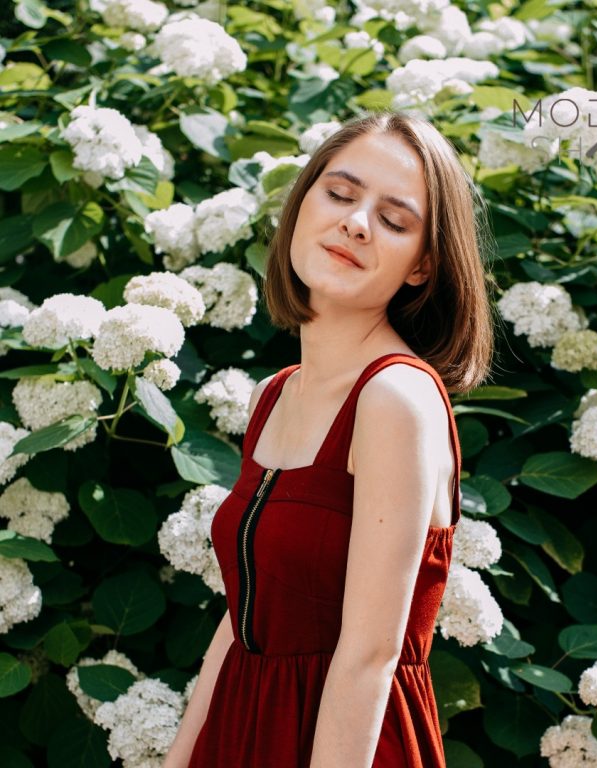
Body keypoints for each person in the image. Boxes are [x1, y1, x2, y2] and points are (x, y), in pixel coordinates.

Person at [163, 110, 496, 768]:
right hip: (241, 725)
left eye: (394, 220)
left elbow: (370, 657)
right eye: (340, 194)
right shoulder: (273, 394)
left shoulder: (394, 398)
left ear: (423, 265)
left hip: (348, 743)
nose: (356, 222)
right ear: (303, 202)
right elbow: (246, 617)